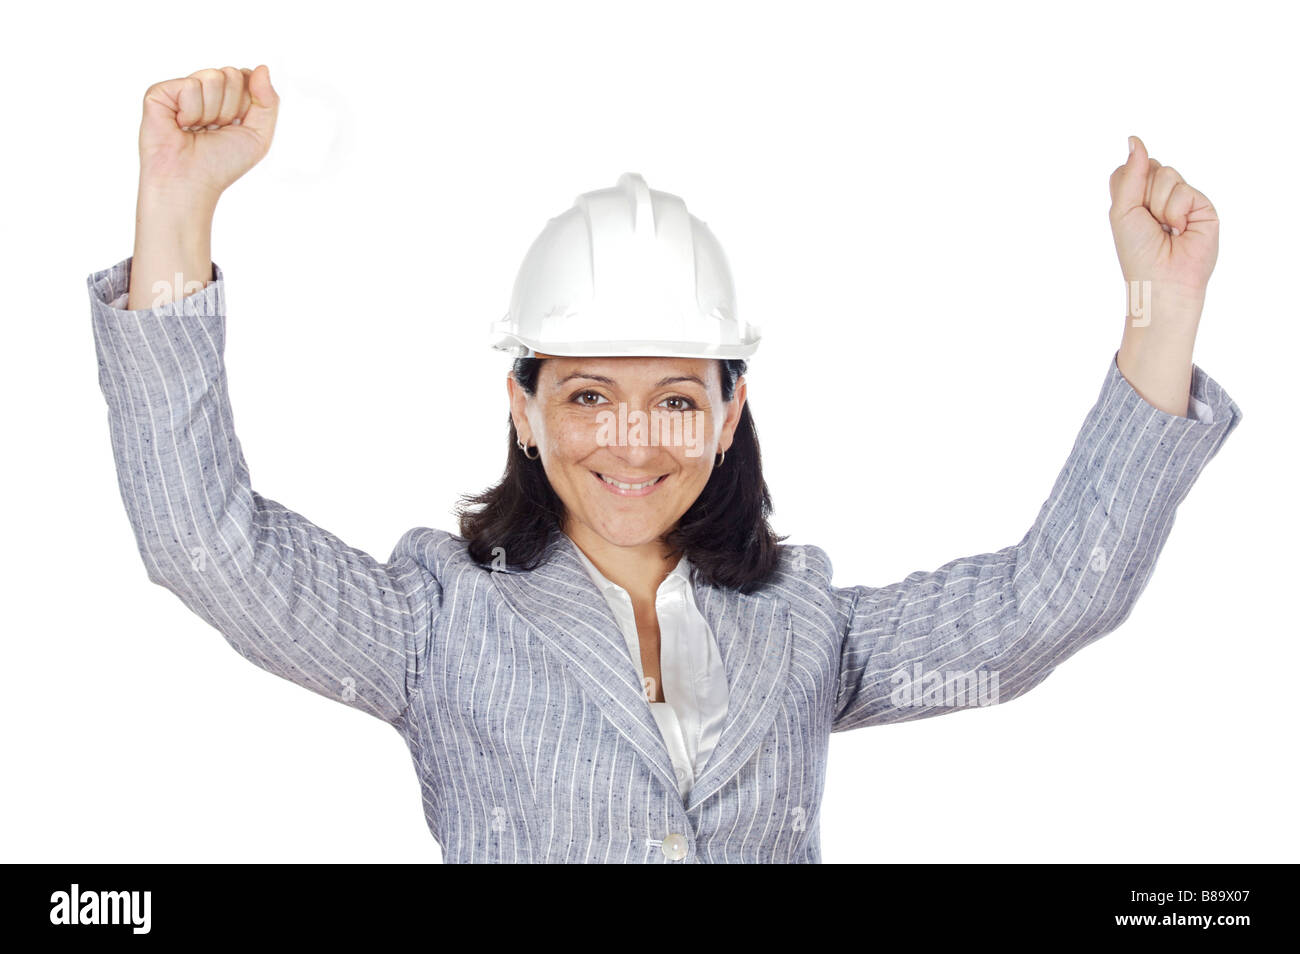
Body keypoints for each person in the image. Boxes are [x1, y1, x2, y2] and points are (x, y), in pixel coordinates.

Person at [88, 65, 1242, 863]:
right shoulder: (434, 622)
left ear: (731, 412)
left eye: (677, 400)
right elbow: (202, 542)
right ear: (523, 410)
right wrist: (178, 205)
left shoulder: (803, 624)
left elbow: (1055, 597)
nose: (630, 442)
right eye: (587, 395)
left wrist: (1162, 303)